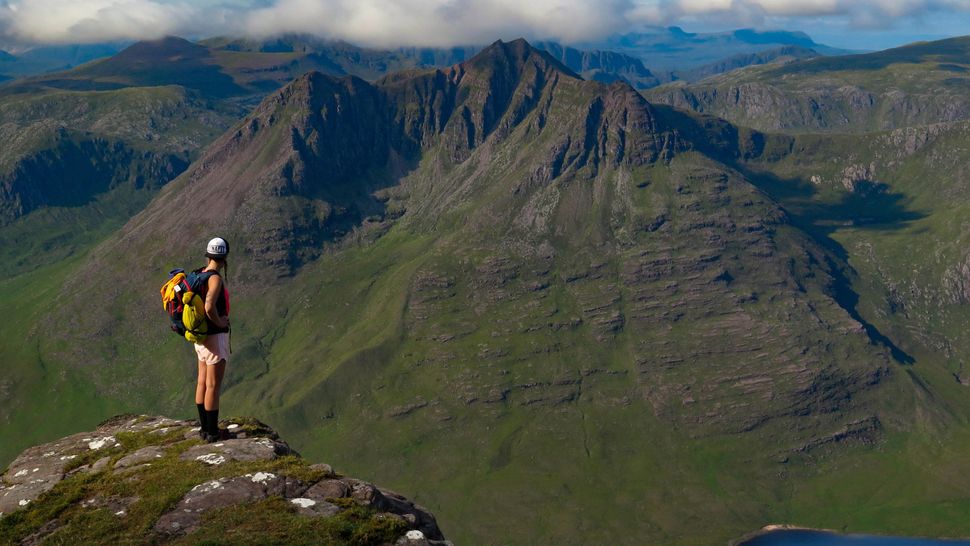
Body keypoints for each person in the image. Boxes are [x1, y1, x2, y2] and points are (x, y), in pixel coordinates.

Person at [194, 237, 231, 443]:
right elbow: (209, 306)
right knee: (213, 386)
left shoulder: (199, 273)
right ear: (224, 257)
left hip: (200, 337)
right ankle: (213, 432)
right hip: (214, 337)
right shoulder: (215, 278)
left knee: (202, 382)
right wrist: (220, 323)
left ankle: (204, 429)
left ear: (208, 255)